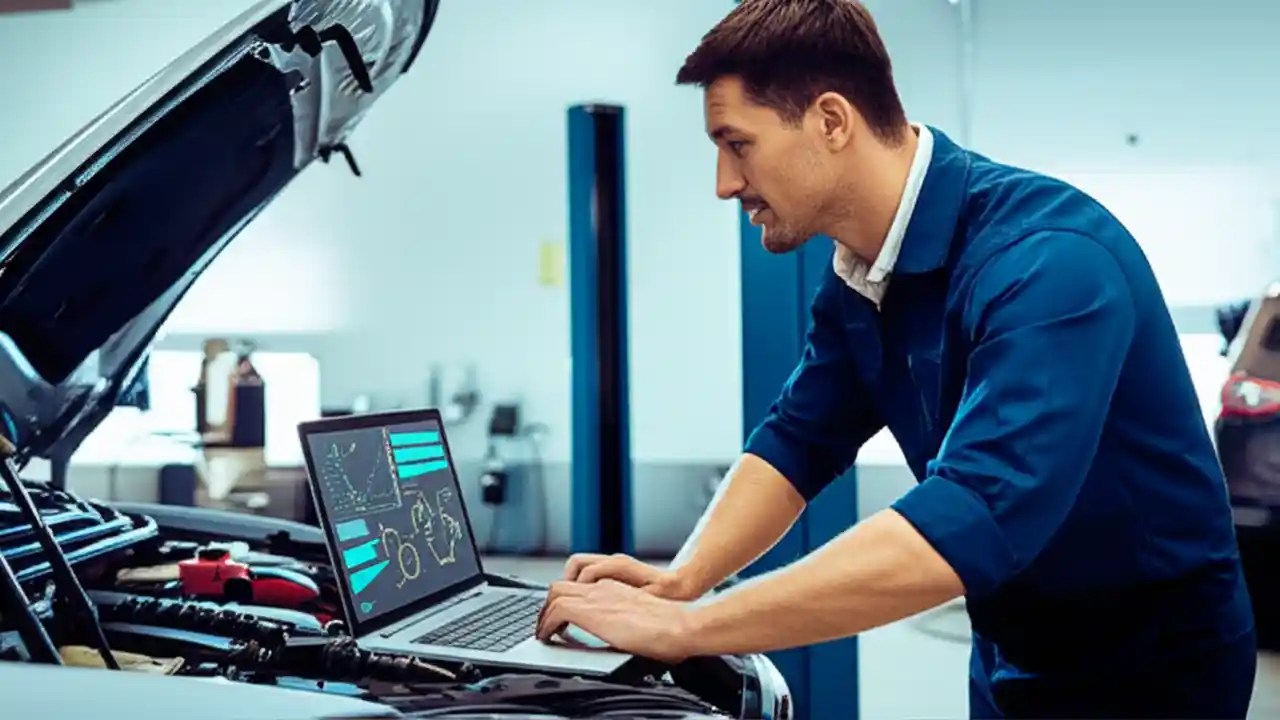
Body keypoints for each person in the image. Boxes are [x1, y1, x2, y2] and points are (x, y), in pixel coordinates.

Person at [535, 0, 1258, 716]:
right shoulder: (861, 274)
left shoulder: (1049, 264)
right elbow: (797, 439)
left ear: (831, 121)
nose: (723, 182)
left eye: (738, 144)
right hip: (1014, 645)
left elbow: (972, 515)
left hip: (1150, 670)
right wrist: (683, 580)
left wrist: (689, 629)